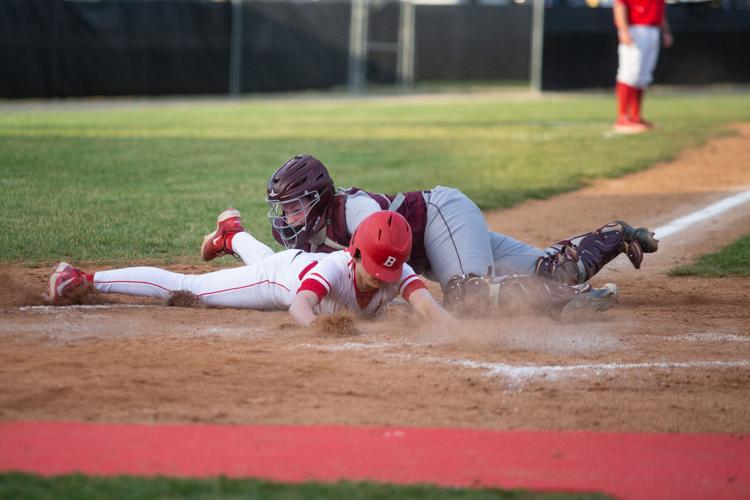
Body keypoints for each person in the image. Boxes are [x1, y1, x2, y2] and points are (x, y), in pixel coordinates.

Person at [204, 155, 657, 314]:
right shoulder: (314, 236)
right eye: (285, 208)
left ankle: (564, 301)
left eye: (296, 205)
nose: (289, 216)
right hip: (432, 248)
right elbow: (272, 272)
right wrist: (234, 237)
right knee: (552, 268)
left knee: (469, 298)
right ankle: (612, 236)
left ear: (320, 199)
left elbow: (391, 264)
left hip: (441, 218)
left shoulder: (355, 211)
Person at [45, 211, 452, 327]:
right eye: (375, 268)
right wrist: (318, 328)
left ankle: (231, 233)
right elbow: (300, 306)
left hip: (292, 262)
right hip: (281, 278)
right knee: (189, 288)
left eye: (390, 270)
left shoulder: (395, 271)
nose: (383, 277)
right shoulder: (335, 268)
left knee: (265, 258)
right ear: (355, 253)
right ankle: (81, 277)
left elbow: (429, 308)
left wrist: (458, 330)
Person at [612, 0, 673, 133]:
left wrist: (666, 31)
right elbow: (619, 5)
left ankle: (635, 117)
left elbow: (660, 11)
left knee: (643, 75)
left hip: (653, 29)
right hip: (635, 29)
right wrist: (623, 30)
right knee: (629, 73)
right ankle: (622, 118)